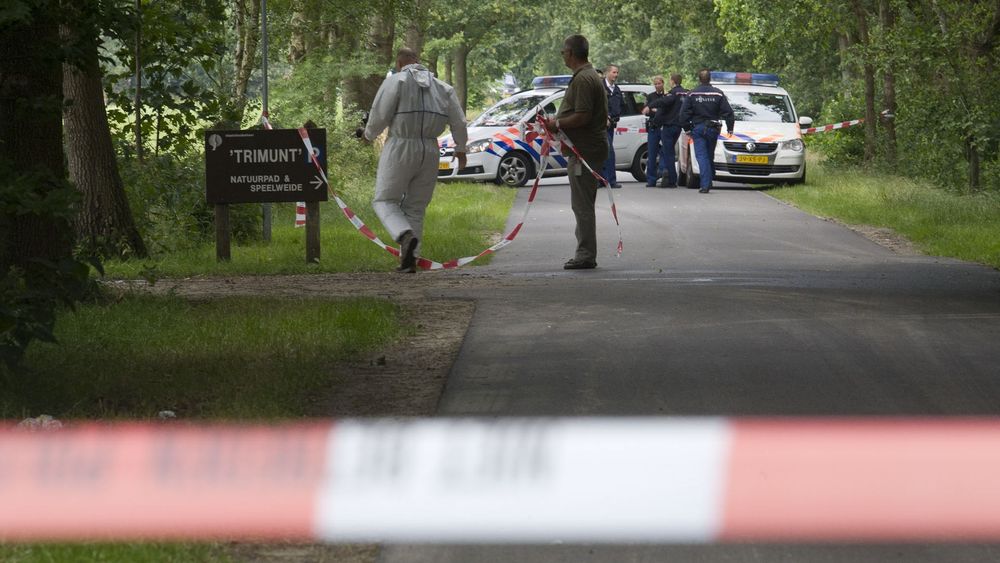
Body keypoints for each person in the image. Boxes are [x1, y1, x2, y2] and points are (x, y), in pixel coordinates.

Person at [363, 48, 468, 273]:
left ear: (400, 64)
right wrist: (461, 149)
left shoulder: (396, 81)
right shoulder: (443, 88)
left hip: (400, 146)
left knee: (385, 200)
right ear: (418, 62)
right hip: (430, 148)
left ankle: (403, 234)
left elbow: (379, 113)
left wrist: (368, 135)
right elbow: (459, 122)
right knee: (416, 207)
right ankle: (410, 259)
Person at [545, 35, 608, 270]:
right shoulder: (588, 76)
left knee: (582, 205)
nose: (562, 55)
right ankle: (585, 252)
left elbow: (583, 115)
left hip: (585, 152)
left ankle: (585, 254)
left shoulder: (583, 79)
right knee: (582, 203)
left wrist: (557, 125)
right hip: (587, 148)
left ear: (571, 53)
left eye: (563, 51)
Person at [679, 68, 734, 193]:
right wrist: (730, 127)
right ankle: (708, 180)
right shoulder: (718, 94)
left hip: (698, 129)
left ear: (699, 79)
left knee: (702, 156)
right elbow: (728, 112)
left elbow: (683, 114)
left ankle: (705, 184)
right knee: (709, 155)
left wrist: (687, 128)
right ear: (710, 79)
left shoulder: (692, 94)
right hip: (713, 129)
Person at [657, 74, 688, 187]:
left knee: (668, 152)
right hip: (679, 127)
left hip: (669, 126)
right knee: (667, 152)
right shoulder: (687, 93)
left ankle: (671, 179)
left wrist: (651, 108)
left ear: (672, 81)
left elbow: (663, 106)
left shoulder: (672, 93)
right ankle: (665, 173)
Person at [641, 76, 668, 187]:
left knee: (665, 151)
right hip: (653, 127)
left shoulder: (667, 96)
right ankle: (651, 180)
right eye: (655, 84)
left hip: (665, 127)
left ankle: (662, 172)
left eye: (659, 83)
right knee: (651, 154)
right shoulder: (651, 96)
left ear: (663, 83)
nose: (657, 86)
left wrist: (657, 110)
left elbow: (668, 111)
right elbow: (646, 111)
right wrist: (655, 111)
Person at [600, 64, 623, 189]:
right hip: (601, 125)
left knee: (605, 152)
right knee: (609, 152)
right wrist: (605, 116)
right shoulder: (600, 87)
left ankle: (604, 180)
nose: (616, 75)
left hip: (611, 125)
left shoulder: (617, 89)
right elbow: (597, 105)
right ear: (607, 73)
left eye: (617, 72)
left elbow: (621, 105)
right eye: (614, 72)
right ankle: (610, 181)